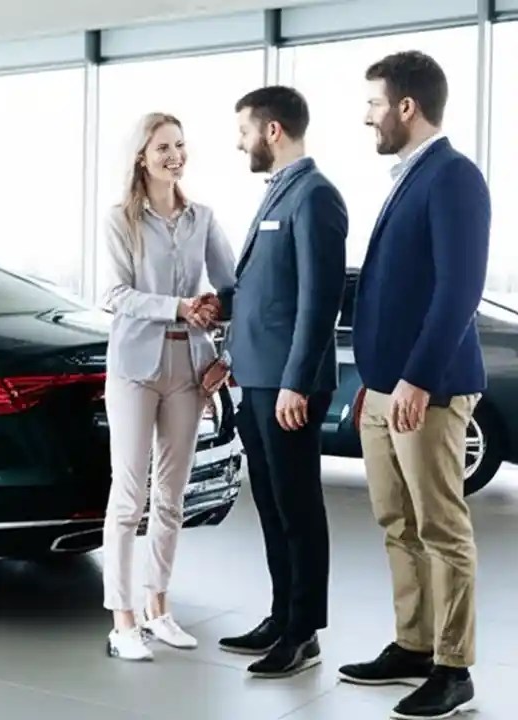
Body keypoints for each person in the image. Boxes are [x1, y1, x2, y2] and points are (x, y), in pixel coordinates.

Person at [339, 50, 489, 720]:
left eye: (374, 104)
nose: (367, 116)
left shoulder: (455, 176)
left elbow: (459, 290)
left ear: (406, 106)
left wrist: (417, 380)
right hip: (386, 389)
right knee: (397, 522)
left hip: (428, 390)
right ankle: (413, 644)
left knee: (440, 525)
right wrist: (375, 383)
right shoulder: (409, 177)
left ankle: (454, 669)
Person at [209, 86, 348, 678]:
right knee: (269, 503)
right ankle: (279, 614)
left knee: (297, 507)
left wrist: (295, 382)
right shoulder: (280, 195)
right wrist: (213, 307)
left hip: (288, 387)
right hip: (258, 381)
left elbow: (321, 302)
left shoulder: (315, 197)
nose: (238, 142)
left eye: (243, 130)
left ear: (272, 131)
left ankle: (302, 630)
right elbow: (266, 291)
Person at [99, 112, 237, 662]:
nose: (174, 155)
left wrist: (221, 346)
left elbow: (230, 287)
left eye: (180, 145)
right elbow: (113, 294)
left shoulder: (202, 218)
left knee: (172, 497)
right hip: (134, 367)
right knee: (129, 496)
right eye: (163, 147)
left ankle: (158, 609)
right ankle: (122, 620)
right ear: (142, 156)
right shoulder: (120, 220)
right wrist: (176, 306)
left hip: (189, 369)